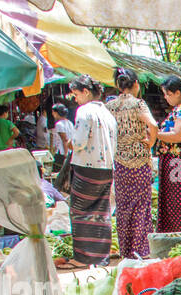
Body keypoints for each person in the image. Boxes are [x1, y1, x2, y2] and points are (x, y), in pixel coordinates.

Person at [66, 75, 117, 267]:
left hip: (86, 167)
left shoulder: (84, 111)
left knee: (80, 211)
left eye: (76, 94)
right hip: (106, 168)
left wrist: (70, 143)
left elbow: (78, 142)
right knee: (101, 211)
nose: (75, 98)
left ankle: (83, 258)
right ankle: (100, 256)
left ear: (86, 92)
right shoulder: (108, 113)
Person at [107, 68, 158, 259]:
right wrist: (150, 142)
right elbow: (152, 124)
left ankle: (126, 250)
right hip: (139, 162)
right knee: (141, 205)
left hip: (119, 162)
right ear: (135, 83)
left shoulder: (110, 106)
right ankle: (141, 249)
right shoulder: (138, 104)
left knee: (123, 207)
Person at [154, 77, 181, 234]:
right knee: (172, 198)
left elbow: (178, 135)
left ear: (177, 93)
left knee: (178, 198)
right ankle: (175, 234)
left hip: (177, 161)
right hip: (172, 160)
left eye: (167, 94)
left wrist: (156, 134)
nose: (165, 98)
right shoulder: (179, 109)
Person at [50, 103, 75, 167]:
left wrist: (65, 155)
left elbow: (64, 139)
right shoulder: (70, 123)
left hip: (61, 152)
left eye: (53, 112)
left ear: (56, 113)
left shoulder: (59, 124)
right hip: (70, 151)